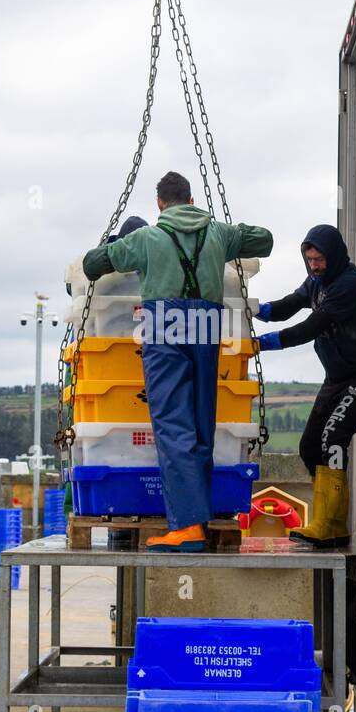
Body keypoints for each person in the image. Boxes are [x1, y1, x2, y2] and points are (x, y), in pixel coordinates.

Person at [83, 171, 273, 552]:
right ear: (190, 199)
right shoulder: (218, 233)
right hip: (206, 329)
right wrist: (232, 232)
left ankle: (187, 527)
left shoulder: (147, 238)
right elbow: (264, 240)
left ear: (159, 204)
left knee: (173, 427)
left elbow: (92, 264)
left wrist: (118, 246)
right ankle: (198, 516)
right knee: (201, 425)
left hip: (165, 330)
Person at [254, 224, 356, 548]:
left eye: (319, 259)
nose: (314, 265)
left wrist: (262, 344)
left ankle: (328, 523)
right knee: (309, 446)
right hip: (335, 377)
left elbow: (310, 327)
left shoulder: (349, 285)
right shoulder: (316, 281)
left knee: (334, 438)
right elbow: (290, 305)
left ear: (333, 256)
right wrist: (255, 309)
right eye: (310, 259)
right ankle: (328, 520)